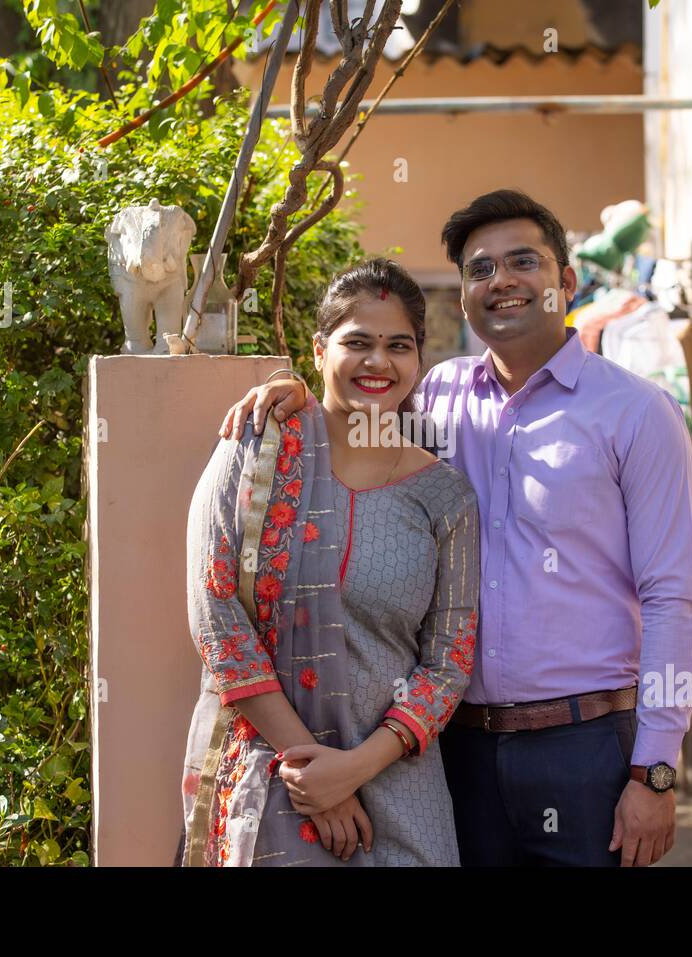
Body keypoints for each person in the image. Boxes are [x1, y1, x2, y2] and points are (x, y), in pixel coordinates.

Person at [219, 190, 692, 867]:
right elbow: (362, 401)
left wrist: (655, 770)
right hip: (457, 751)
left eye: (522, 262)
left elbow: (672, 600)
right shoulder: (441, 395)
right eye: (480, 269)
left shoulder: (636, 413)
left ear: (565, 281)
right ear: (465, 297)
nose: (501, 281)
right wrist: (294, 392)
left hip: (585, 747)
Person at [176, 258, 480, 867]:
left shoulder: (445, 496)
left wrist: (353, 770)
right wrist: (312, 774)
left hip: (400, 786)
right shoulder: (257, 450)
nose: (378, 362)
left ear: (418, 360)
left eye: (398, 345)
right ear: (319, 351)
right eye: (357, 342)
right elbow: (216, 617)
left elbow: (449, 662)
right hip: (272, 774)